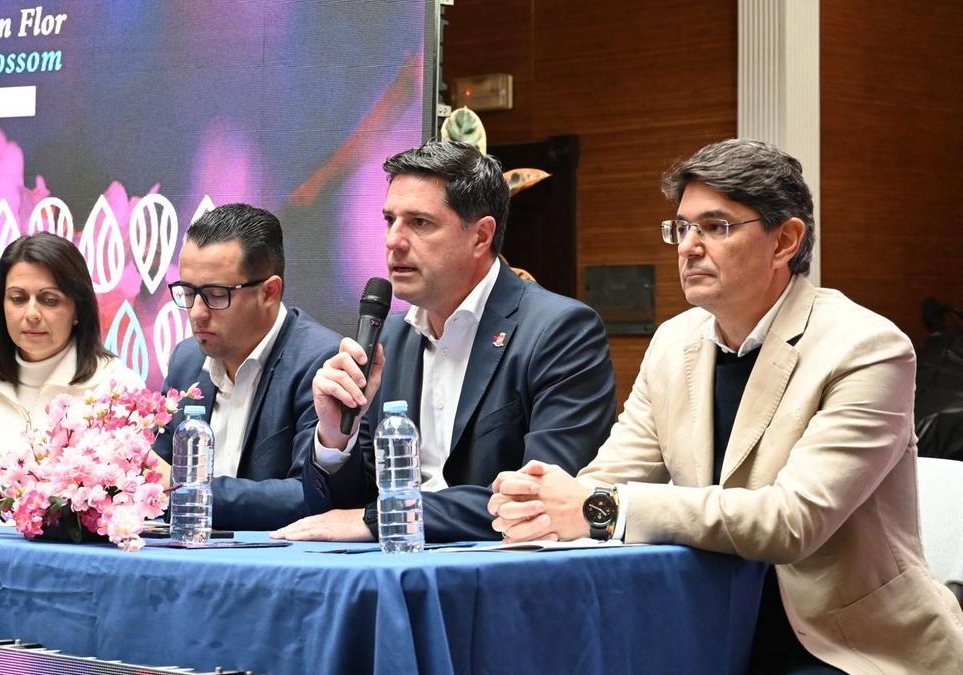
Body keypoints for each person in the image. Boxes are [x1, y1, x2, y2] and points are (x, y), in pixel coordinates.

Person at [488, 138, 963, 673]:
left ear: (784, 240)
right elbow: (605, 479)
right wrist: (540, 503)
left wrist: (602, 510)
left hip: (845, 647)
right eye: (682, 227)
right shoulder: (674, 341)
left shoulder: (867, 348)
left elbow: (791, 522)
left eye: (715, 227)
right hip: (704, 629)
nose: (688, 246)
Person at [272, 140, 617, 543]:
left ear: (480, 236)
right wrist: (335, 439)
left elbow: (538, 501)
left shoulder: (560, 331)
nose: (393, 241)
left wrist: (383, 518)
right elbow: (342, 508)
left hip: (502, 578)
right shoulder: (391, 338)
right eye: (390, 220)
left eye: (419, 223)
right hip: (394, 570)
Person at [154, 204, 341, 530]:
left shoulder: (321, 362)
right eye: (188, 292)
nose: (197, 312)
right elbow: (155, 469)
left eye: (215, 294)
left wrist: (184, 490)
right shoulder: (187, 360)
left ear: (269, 292)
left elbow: (311, 495)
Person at [0, 232, 142, 489]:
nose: (32, 314)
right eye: (18, 298)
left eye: (49, 300)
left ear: (78, 309)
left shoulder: (117, 389)